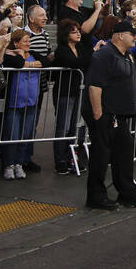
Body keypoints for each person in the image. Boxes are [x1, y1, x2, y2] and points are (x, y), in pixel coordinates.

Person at [83, 24, 136, 210]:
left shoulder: (128, 55)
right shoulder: (105, 55)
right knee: (100, 157)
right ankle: (96, 197)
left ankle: (127, 194)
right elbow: (94, 86)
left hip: (120, 116)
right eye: (132, 34)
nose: (135, 37)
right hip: (105, 113)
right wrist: (98, 114)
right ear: (119, 36)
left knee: (124, 155)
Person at [0, 29, 42, 180]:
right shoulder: (10, 56)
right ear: (16, 43)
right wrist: (21, 57)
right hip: (14, 102)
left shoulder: (33, 54)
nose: (28, 44)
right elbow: (18, 64)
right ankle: (8, 164)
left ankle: (19, 163)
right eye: (25, 41)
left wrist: (28, 64)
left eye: (29, 41)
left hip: (31, 102)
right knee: (12, 134)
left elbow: (44, 61)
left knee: (25, 135)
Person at [53, 18, 92, 174]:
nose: (78, 34)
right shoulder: (61, 50)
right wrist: (89, 55)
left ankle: (72, 157)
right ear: (65, 34)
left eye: (78, 31)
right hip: (65, 92)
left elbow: (86, 61)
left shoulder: (81, 47)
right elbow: (76, 63)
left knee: (76, 127)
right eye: (73, 31)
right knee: (63, 126)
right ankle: (60, 160)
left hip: (78, 91)